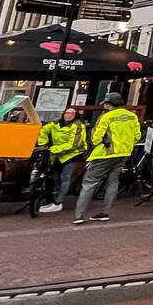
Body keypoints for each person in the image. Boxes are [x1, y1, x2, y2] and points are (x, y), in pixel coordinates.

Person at [73, 93, 142, 224]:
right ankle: (105, 212)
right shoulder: (132, 116)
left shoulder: (106, 117)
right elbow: (137, 136)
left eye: (105, 104)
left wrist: (94, 142)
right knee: (113, 182)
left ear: (108, 104)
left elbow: (96, 137)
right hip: (123, 153)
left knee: (89, 183)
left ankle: (79, 215)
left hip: (106, 153)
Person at [36, 105, 88, 214]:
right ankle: (54, 200)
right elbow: (44, 130)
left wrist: (54, 149)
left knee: (65, 177)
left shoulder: (78, 126)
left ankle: (58, 202)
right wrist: (43, 144)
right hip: (56, 154)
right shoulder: (55, 123)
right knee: (55, 177)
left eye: (72, 113)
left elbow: (74, 144)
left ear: (76, 116)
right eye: (67, 113)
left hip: (71, 154)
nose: (68, 115)